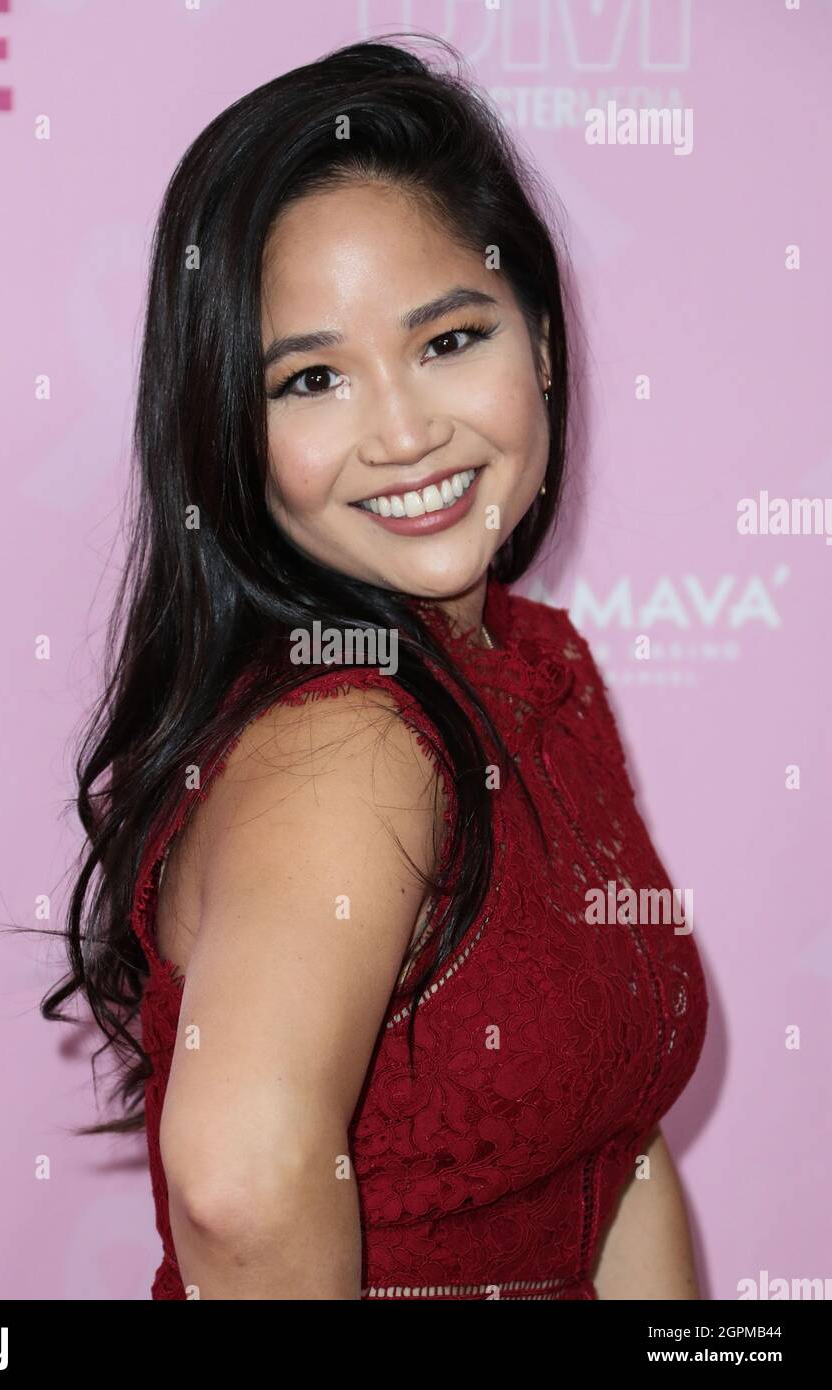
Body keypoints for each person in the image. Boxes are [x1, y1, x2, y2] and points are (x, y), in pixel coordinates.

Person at [44, 35, 709, 1301]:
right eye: (312, 378)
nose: (405, 433)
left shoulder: (536, 665)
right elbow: (240, 1191)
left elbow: (614, 1144)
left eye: (450, 340)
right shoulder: (350, 740)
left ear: (544, 341)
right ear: (229, 435)